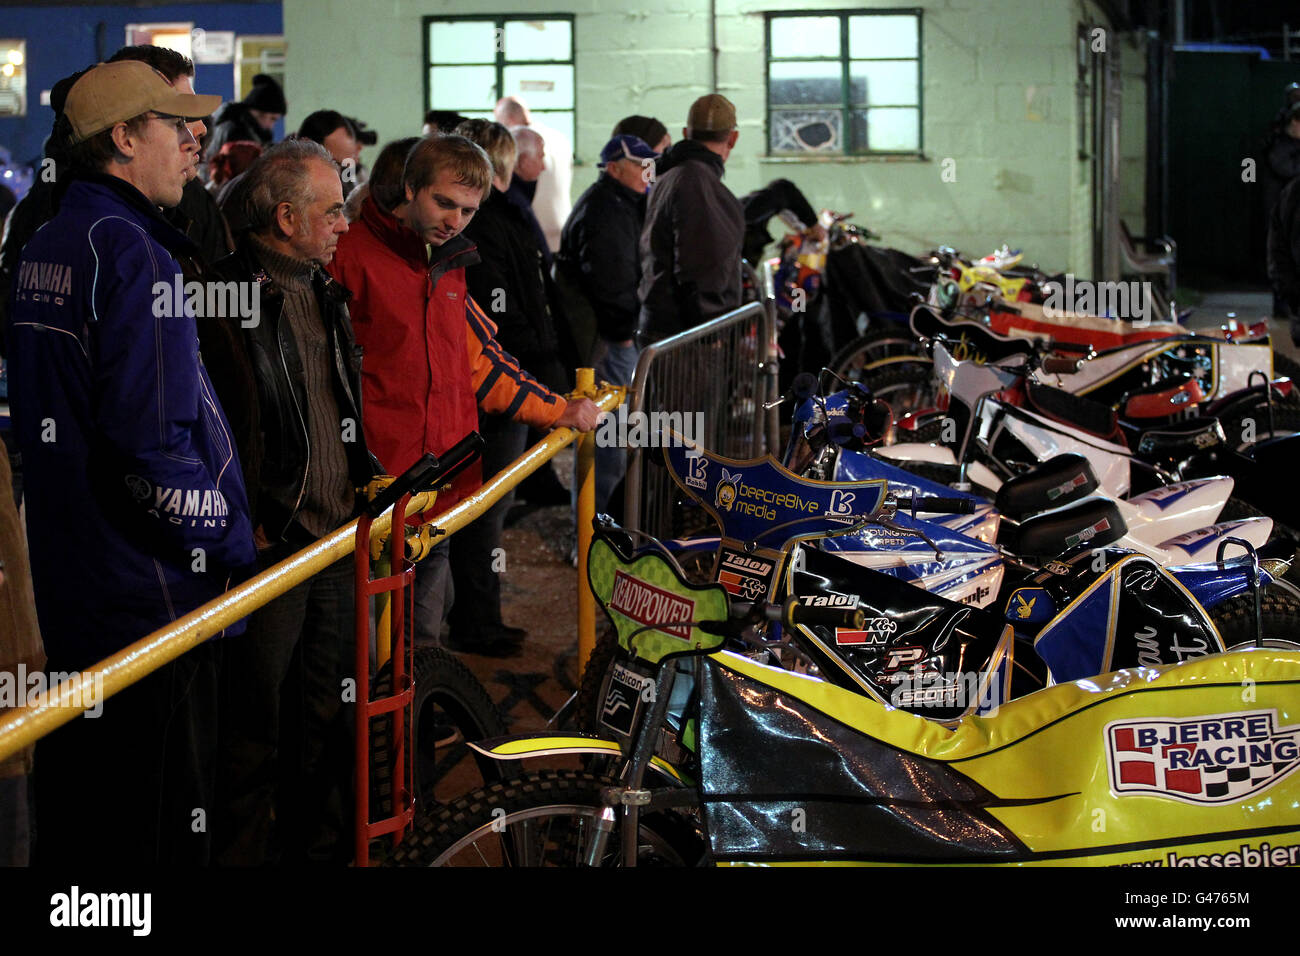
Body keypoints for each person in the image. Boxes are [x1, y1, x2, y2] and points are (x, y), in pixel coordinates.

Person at [6, 60, 255, 865]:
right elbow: (151, 447)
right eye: (173, 126)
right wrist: (225, 542)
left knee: (81, 811)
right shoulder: (134, 253)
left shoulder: (49, 240)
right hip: (151, 595)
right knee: (156, 822)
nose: (193, 142)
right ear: (122, 138)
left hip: (73, 583)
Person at [328, 135, 599, 655]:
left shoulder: (448, 265)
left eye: (468, 210)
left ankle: (419, 728)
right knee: (368, 648)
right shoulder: (349, 256)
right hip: (377, 495)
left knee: (423, 634)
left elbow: (482, 366)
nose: (455, 219)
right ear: (410, 188)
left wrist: (559, 409)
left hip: (441, 489)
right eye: (444, 203)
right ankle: (389, 732)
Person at [206, 138, 379, 865]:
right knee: (251, 728)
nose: (346, 222)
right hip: (270, 550)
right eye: (334, 210)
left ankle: (313, 852)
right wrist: (251, 522)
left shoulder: (325, 289)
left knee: (326, 718)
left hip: (335, 539)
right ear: (285, 216)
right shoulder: (218, 300)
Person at [558, 133, 661, 515]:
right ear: (615, 167)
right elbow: (612, 282)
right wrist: (623, 336)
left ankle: (602, 529)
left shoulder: (621, 203)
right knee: (609, 442)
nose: (648, 172)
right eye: (641, 165)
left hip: (613, 336)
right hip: (608, 340)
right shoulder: (605, 211)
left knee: (616, 439)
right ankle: (592, 536)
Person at [638, 94, 745, 343]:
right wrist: (711, 336)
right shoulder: (698, 185)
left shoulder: (669, 177)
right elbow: (702, 272)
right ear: (733, 138)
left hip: (659, 326)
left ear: (687, 133)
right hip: (686, 340)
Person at [495, 96, 571, 254]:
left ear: (508, 119)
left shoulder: (517, 142)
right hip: (563, 227)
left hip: (533, 233)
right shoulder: (559, 138)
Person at [205, 72, 285, 165]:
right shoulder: (236, 132)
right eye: (272, 119)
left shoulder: (236, 124)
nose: (271, 125)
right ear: (261, 113)